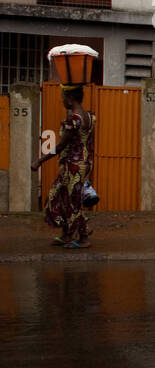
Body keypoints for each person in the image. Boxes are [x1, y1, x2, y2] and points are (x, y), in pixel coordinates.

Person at [32, 85, 95, 248]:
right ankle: (66, 234)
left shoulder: (74, 119)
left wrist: (40, 161)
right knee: (59, 195)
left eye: (63, 98)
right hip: (82, 163)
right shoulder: (89, 116)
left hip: (74, 165)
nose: (62, 101)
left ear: (70, 98)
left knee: (73, 201)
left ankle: (83, 238)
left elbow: (60, 146)